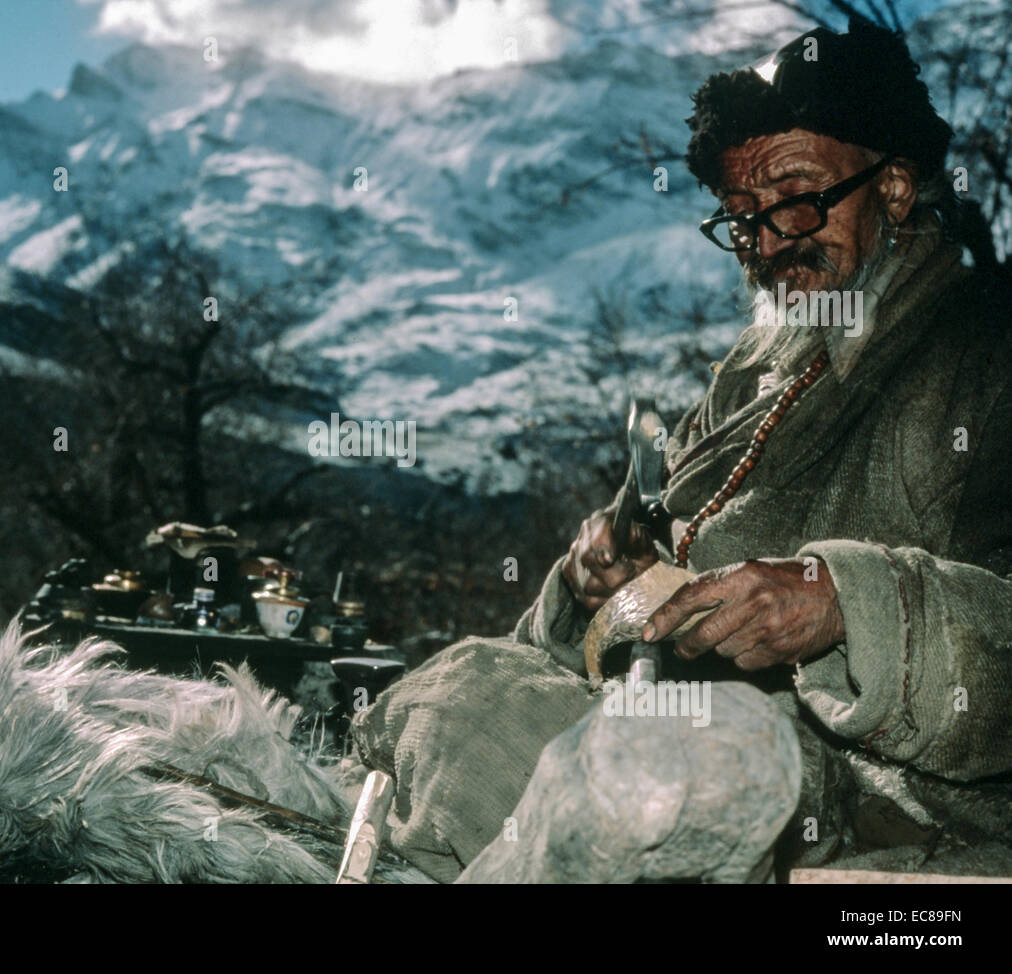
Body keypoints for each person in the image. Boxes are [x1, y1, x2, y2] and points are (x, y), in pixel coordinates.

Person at [353, 18, 1012, 882]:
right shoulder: (752, 371)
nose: (771, 245)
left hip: (889, 825)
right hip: (671, 744)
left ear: (892, 188)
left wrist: (847, 603)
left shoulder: (988, 353)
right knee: (464, 693)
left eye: (797, 198)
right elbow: (665, 565)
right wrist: (594, 588)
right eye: (743, 221)